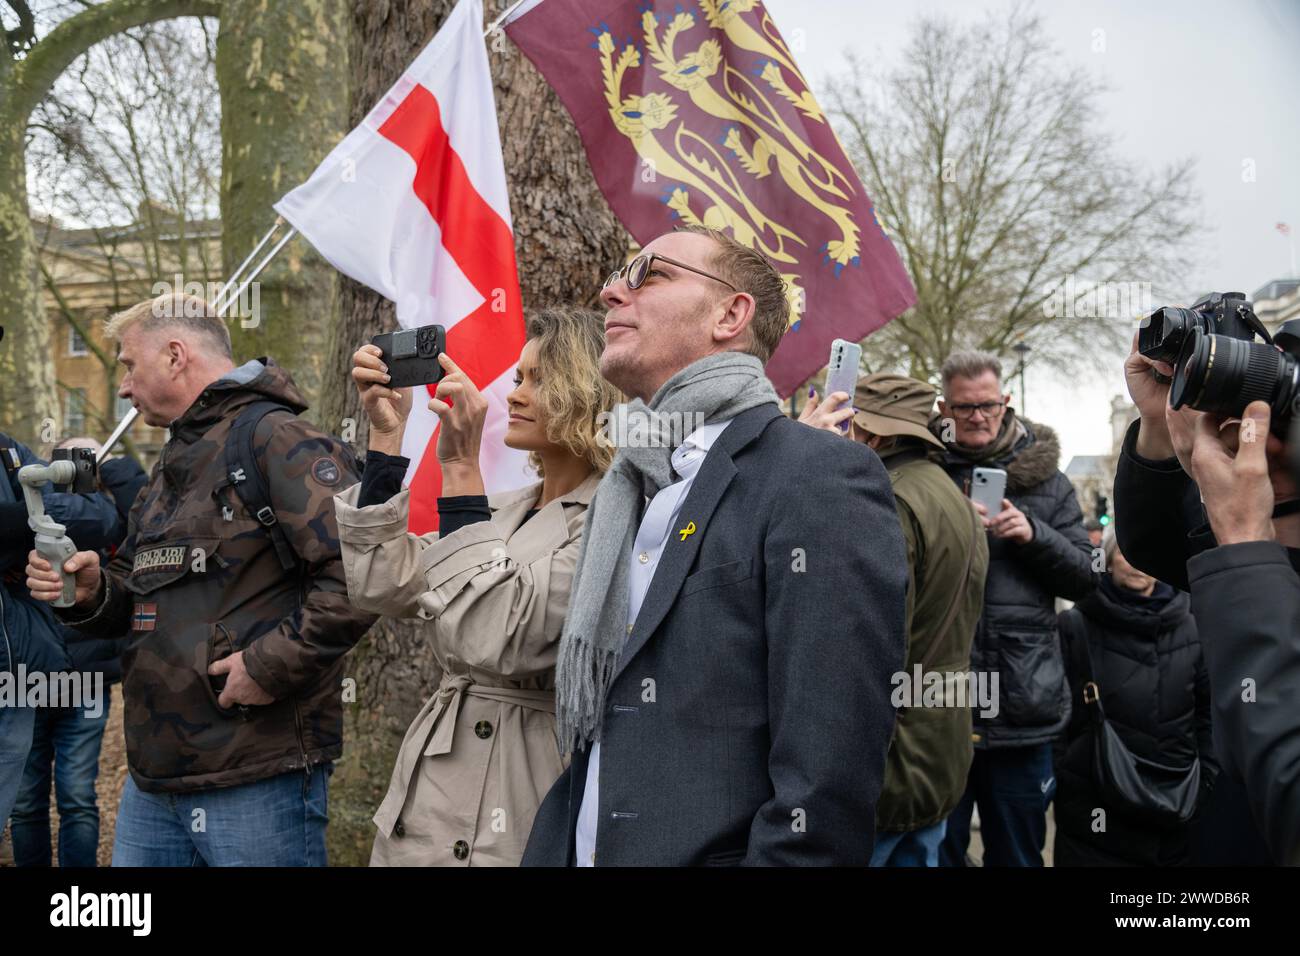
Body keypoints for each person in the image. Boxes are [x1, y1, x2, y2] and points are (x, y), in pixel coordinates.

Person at [522, 225, 907, 866]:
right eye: (621, 274)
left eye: (651, 273)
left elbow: (828, 772)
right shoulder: (628, 481)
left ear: (731, 314)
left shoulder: (817, 476)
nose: (612, 290)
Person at [25, 292, 376, 867]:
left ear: (175, 355)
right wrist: (93, 591)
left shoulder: (277, 440)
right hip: (156, 779)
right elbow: (137, 584)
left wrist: (267, 667)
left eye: (128, 365)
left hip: (256, 776)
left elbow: (361, 573)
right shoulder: (174, 463)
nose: (122, 387)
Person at [334, 307, 620, 866]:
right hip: (430, 787)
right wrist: (387, 441)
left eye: (540, 381)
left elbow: (497, 635)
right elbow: (380, 583)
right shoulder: (501, 511)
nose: (513, 395)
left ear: (591, 396)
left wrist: (461, 464)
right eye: (518, 378)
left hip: (525, 788)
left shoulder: (614, 516)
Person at [800, 373, 988, 866]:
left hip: (890, 757)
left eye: (852, 426)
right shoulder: (953, 496)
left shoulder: (886, 497)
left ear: (876, 435)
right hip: (940, 743)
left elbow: (872, 645)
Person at [1115, 334, 1281, 864]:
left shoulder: (1256, 539)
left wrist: (1247, 545)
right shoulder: (1265, 523)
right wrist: (1160, 425)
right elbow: (1157, 548)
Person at [929, 350, 1095, 867]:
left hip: (1022, 704)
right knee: (939, 853)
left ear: (1007, 402)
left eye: (988, 406)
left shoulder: (1049, 482)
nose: (977, 417)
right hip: (938, 711)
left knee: (1019, 856)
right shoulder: (923, 471)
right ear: (943, 407)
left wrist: (1033, 534)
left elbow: (1087, 577)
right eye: (964, 408)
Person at [10, 438, 146, 867]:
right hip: (28, 681)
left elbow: (137, 514)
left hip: (86, 678)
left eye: (92, 457)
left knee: (76, 795)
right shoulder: (29, 500)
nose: (85, 463)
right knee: (26, 800)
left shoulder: (114, 513)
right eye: (76, 457)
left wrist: (114, 469)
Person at [1053, 527, 1217, 866]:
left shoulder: (1194, 625)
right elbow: (1059, 717)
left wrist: (1206, 783)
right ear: (1108, 560)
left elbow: (1209, 716)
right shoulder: (1075, 626)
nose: (1139, 565)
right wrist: (1065, 780)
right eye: (1128, 553)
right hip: (1094, 810)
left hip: (1175, 805)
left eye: (1148, 556)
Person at [0, 377, 122, 834]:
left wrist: (20, 521)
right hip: (35, 667)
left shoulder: (9, 453)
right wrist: (24, 523)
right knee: (30, 803)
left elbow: (104, 519)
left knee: (68, 796)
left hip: (36, 664)